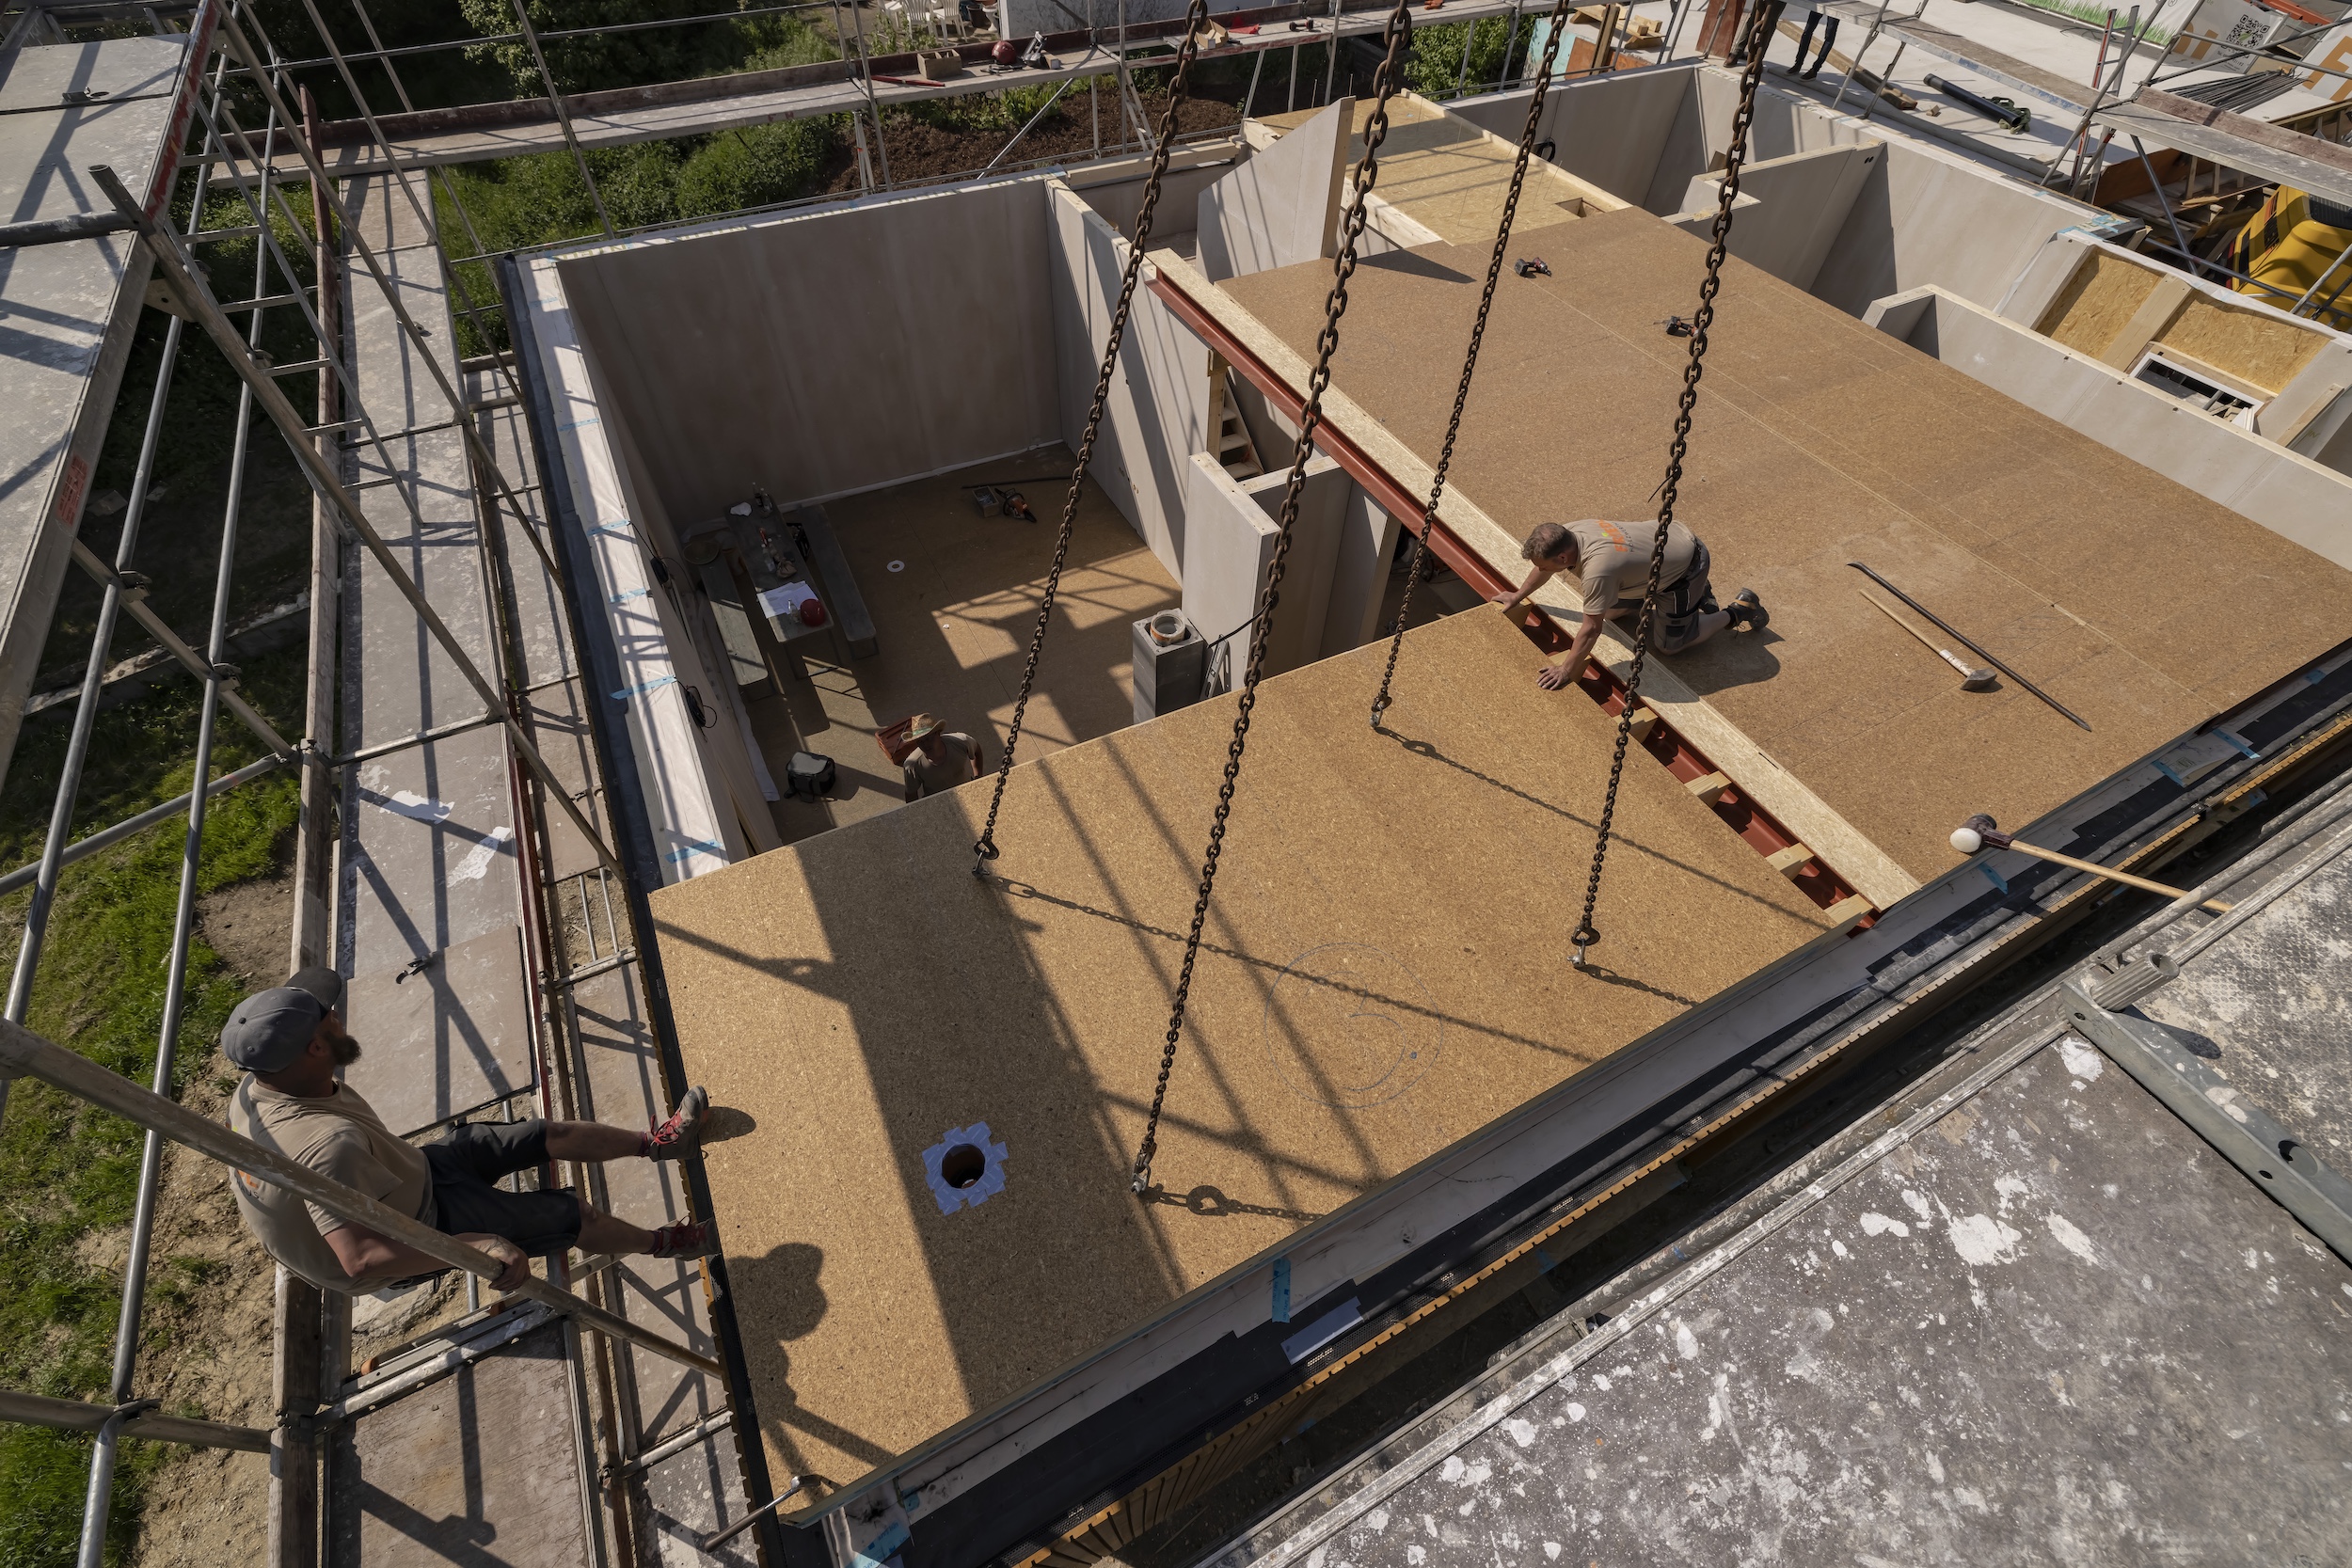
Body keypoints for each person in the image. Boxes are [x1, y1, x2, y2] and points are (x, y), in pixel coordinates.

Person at [221, 968, 716, 1296]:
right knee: (570, 1213)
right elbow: (361, 1260)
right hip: (415, 1226)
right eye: (330, 1016)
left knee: (545, 1133)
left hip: (407, 1176)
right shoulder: (326, 1146)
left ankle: (661, 1144)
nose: (340, 1016)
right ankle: (668, 1243)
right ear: (313, 1049)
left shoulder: (257, 1089)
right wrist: (476, 1248)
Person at [1491, 519, 1765, 691]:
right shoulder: (1570, 532)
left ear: (1563, 557)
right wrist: (1517, 595)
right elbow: (1545, 569)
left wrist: (1566, 669)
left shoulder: (1598, 570)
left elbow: (1591, 628)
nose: (1541, 569)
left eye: (1544, 564)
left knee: (1672, 646)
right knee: (1608, 609)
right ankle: (1694, 596)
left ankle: (1738, 610)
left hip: (1686, 568)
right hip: (1664, 546)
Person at [900, 713, 983, 801]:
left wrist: (978, 778)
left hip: (968, 792)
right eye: (920, 741)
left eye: (929, 739)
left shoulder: (961, 741)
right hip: (937, 802)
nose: (925, 744)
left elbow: (977, 750)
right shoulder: (912, 764)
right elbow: (911, 793)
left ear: (938, 733)